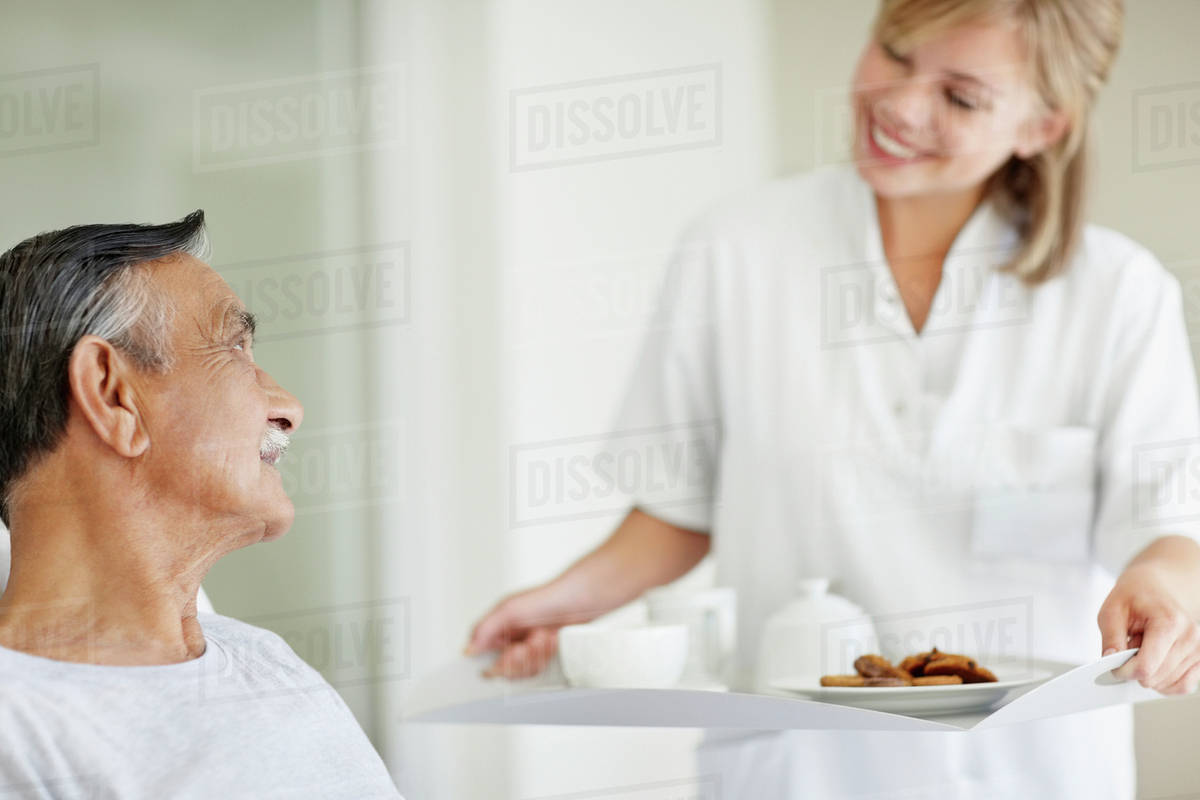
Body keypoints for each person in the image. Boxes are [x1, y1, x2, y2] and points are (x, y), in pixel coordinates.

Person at [466, 0, 1200, 796]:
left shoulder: (1116, 293)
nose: (900, 104)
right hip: (796, 768)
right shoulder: (738, 249)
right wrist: (567, 600)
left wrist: (1167, 585)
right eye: (894, 52)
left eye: (960, 97)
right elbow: (680, 508)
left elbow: (1167, 522)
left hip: (1023, 773)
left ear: (1045, 125)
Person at [0, 212, 403, 799]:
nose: (289, 407)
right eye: (234, 348)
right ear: (113, 396)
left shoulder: (264, 658)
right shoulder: (19, 725)